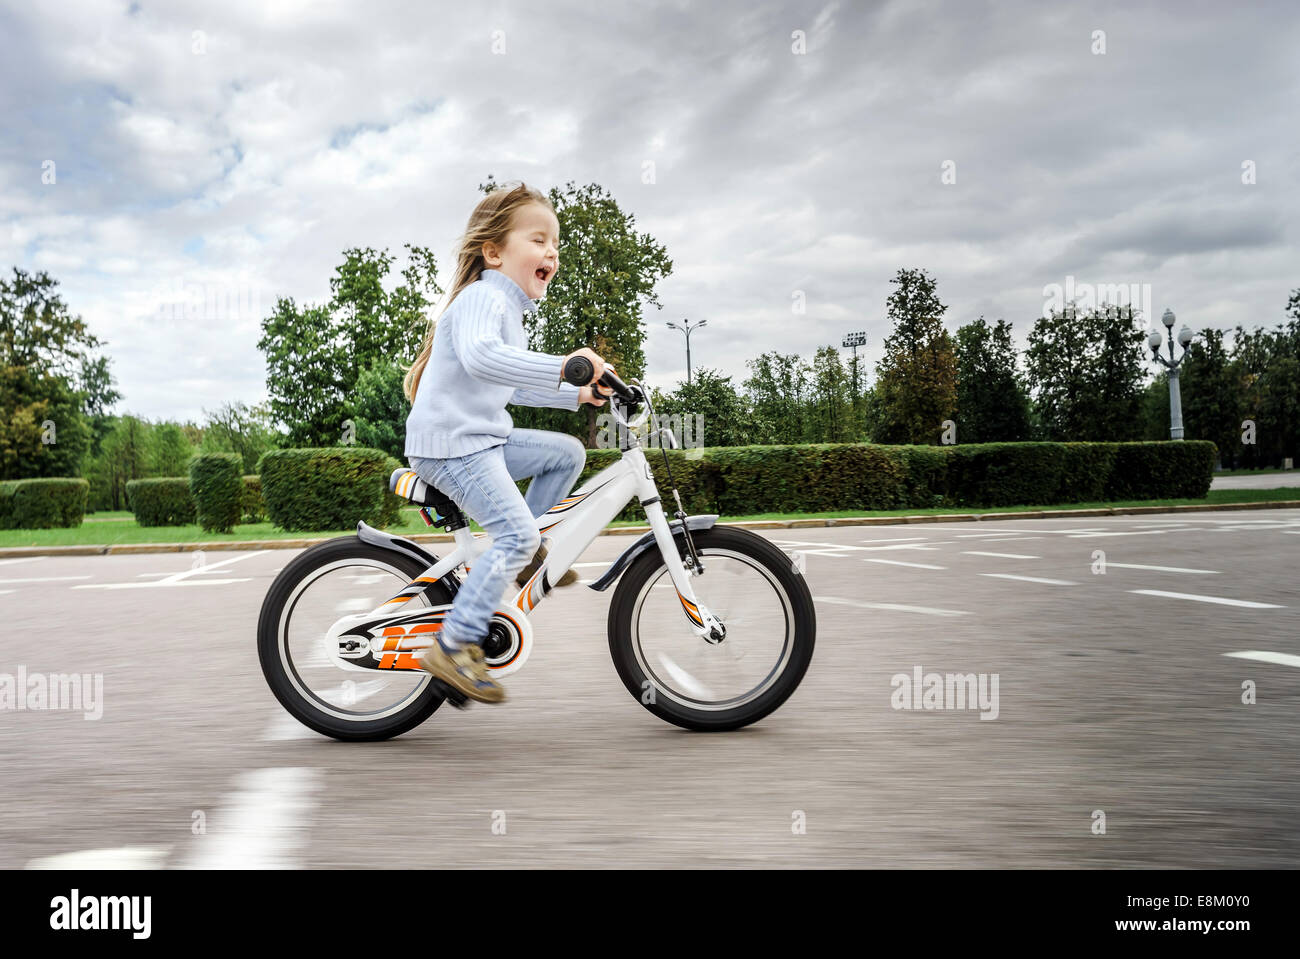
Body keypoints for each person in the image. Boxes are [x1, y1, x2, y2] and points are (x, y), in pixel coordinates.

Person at [402, 182, 610, 704]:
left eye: (555, 245)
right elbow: (481, 359)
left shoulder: (507, 311)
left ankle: (523, 553)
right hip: (453, 443)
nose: (552, 252)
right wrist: (564, 364)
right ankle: (453, 647)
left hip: (480, 437)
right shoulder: (483, 297)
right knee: (514, 534)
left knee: (567, 454)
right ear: (493, 252)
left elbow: (509, 382)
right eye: (538, 240)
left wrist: (576, 393)